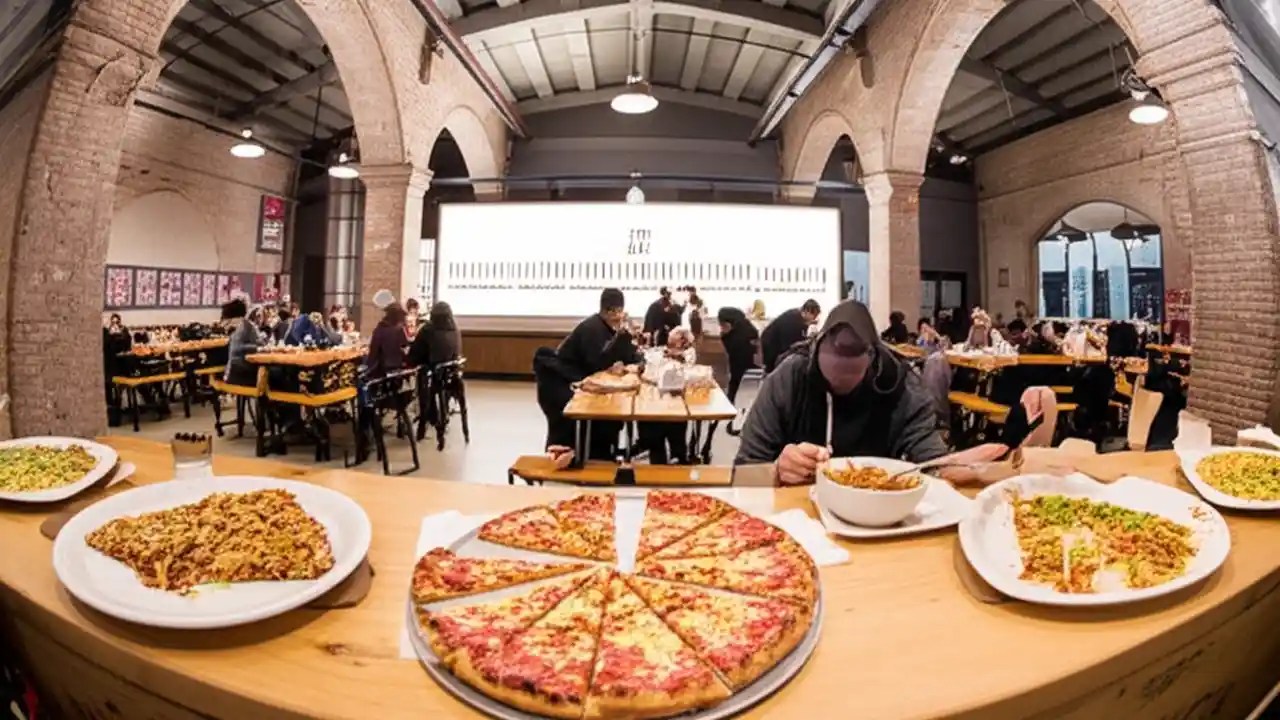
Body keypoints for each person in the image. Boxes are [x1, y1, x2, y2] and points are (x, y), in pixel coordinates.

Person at [735, 300, 1006, 485]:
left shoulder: (900, 386)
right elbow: (743, 469)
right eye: (832, 378)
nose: (841, 385)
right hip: (795, 517)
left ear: (873, 361)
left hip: (876, 516)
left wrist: (958, 463)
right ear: (815, 352)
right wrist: (777, 470)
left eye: (852, 376)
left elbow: (930, 462)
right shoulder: (789, 378)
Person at [534, 288, 641, 464]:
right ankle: (595, 456)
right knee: (606, 410)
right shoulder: (593, 328)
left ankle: (604, 452)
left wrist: (634, 353)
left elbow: (622, 356)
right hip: (564, 386)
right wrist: (622, 337)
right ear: (611, 311)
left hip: (578, 381)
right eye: (619, 311)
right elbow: (597, 364)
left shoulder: (606, 328)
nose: (621, 316)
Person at [760, 299, 820, 374]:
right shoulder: (793, 321)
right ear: (807, 311)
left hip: (774, 343)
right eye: (814, 316)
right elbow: (792, 345)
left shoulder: (798, 317)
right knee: (774, 371)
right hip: (771, 345)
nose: (814, 319)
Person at [718, 307, 759, 405]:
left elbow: (730, 354)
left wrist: (724, 336)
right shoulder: (749, 329)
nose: (721, 328)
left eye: (722, 325)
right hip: (752, 376)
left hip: (740, 375)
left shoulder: (736, 337)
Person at [409, 301, 462, 368]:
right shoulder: (455, 330)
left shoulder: (428, 330)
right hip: (450, 371)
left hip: (432, 371)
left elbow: (415, 354)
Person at [224, 300, 262, 386]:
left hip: (233, 371)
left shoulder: (242, 327)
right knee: (272, 378)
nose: (227, 323)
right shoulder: (245, 327)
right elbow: (238, 348)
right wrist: (258, 348)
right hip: (236, 373)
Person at [365, 303, 408, 379]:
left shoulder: (379, 330)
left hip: (380, 370)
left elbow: (373, 353)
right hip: (393, 369)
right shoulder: (397, 330)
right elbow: (404, 348)